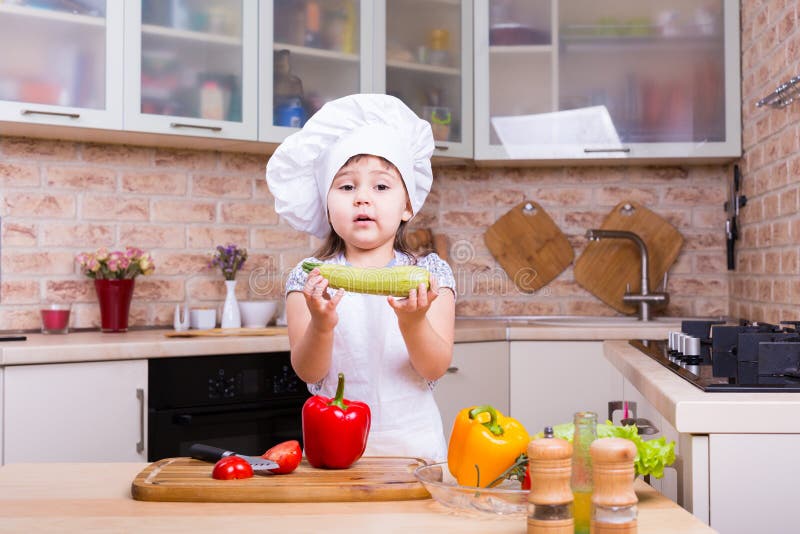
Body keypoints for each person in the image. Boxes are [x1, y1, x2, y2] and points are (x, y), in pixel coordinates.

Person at [266, 94, 456, 461]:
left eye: (381, 187)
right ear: (325, 202)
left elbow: (434, 367)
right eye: (346, 186)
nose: (362, 199)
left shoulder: (430, 275)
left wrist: (413, 322)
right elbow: (308, 371)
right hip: (332, 451)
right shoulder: (308, 279)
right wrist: (321, 325)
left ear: (407, 205)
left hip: (414, 451)